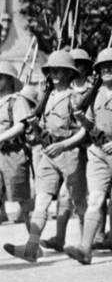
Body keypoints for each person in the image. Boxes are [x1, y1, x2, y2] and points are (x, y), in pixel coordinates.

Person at [4, 51, 87, 262]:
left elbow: (84, 131)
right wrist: (35, 126)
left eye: (60, 71)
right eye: (52, 71)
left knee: (78, 201)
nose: (55, 75)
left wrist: (63, 145)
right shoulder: (46, 97)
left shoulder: (75, 98)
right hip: (48, 153)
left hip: (70, 152)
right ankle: (32, 247)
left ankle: (86, 246)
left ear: (70, 73)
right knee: (41, 200)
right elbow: (41, 130)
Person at [64, 48, 112, 264]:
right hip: (97, 152)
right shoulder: (95, 93)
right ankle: (85, 248)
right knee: (95, 198)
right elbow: (89, 125)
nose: (106, 70)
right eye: (102, 67)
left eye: (111, 66)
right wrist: (81, 118)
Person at [0, 61, 32, 230]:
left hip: (14, 152)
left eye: (0, 77)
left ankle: (33, 239)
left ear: (9, 79)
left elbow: (21, 126)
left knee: (22, 199)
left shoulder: (17, 100)